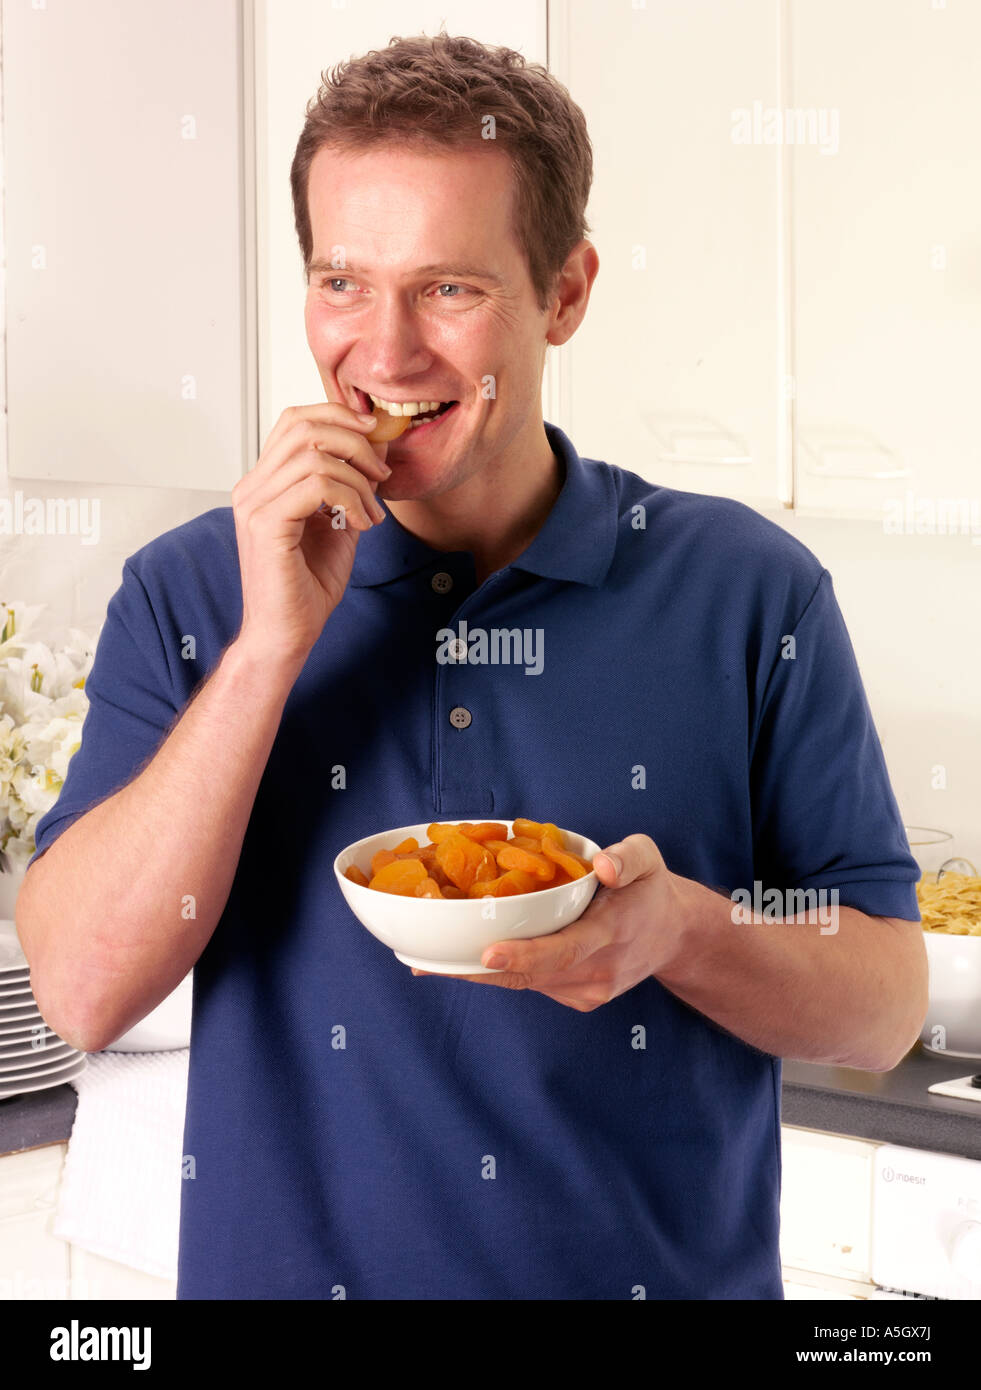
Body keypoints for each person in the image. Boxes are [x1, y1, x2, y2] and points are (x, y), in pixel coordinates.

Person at [16, 32, 926, 1300]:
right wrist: (270, 647)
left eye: (447, 289)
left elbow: (884, 1005)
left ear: (565, 294)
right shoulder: (196, 591)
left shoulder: (747, 592)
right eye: (343, 282)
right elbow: (79, 989)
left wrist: (681, 930)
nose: (385, 354)